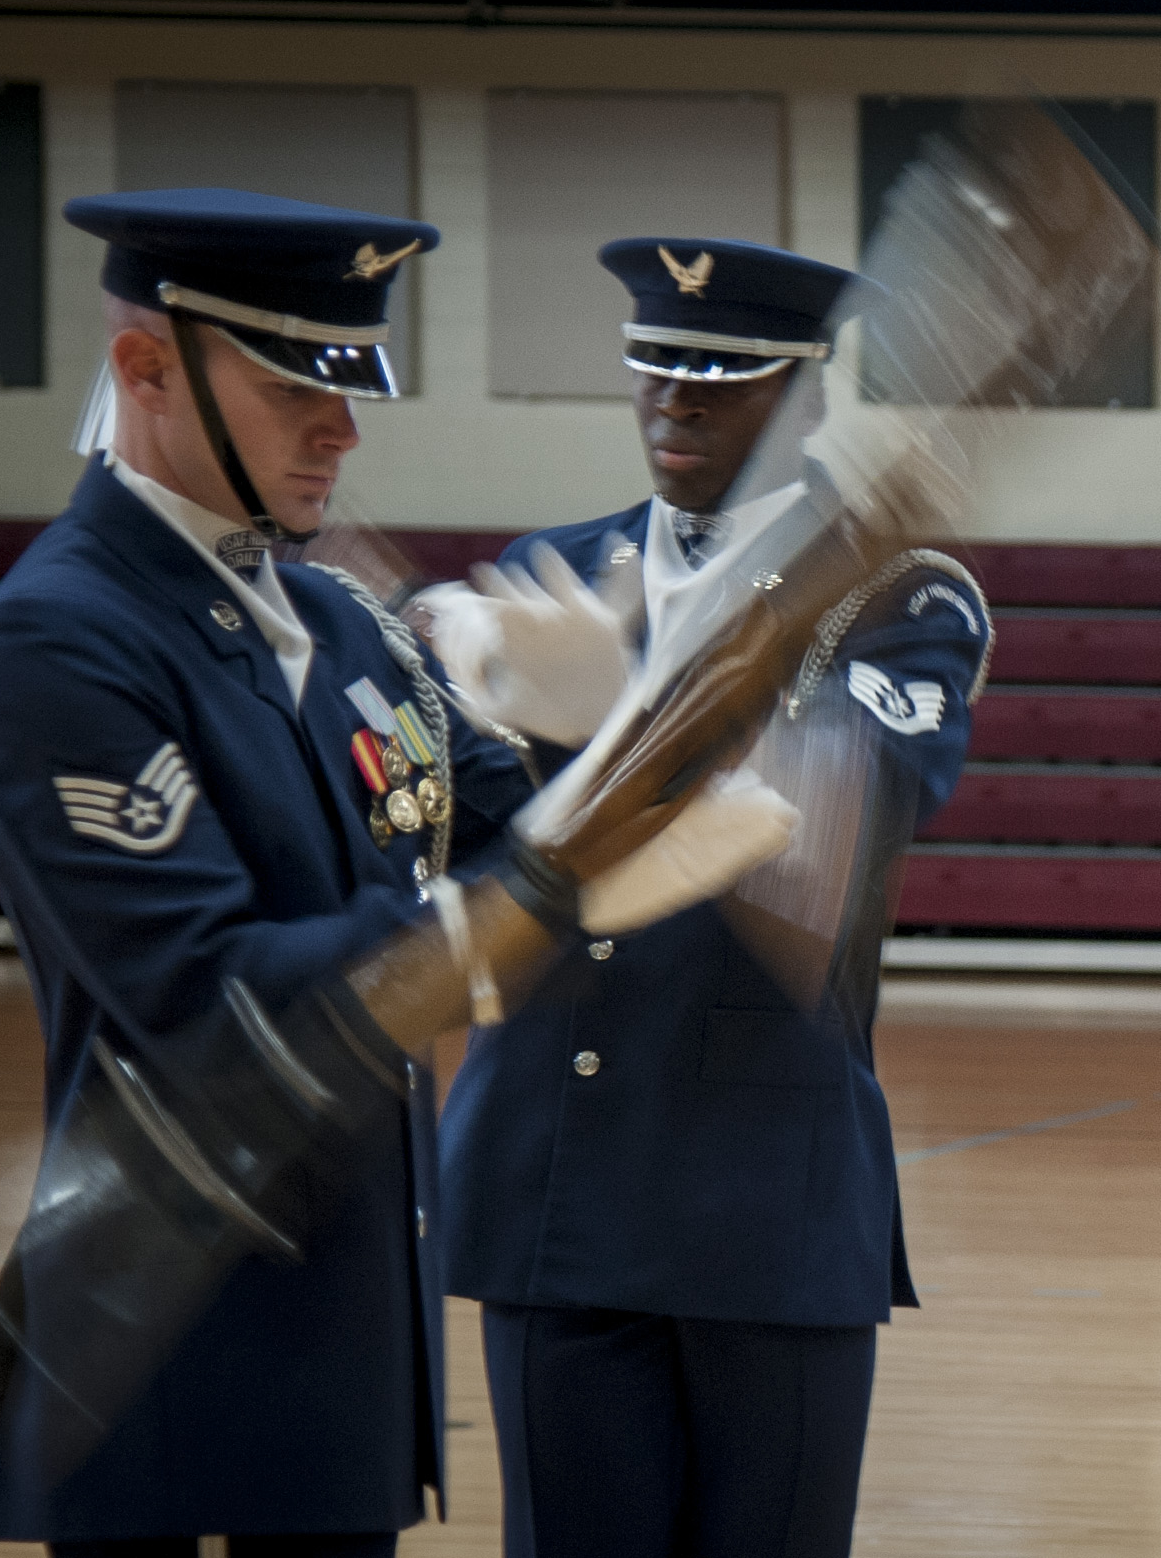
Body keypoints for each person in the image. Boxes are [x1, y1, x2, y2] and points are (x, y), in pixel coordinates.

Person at [0, 189, 776, 1558]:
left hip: (348, 1327)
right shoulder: (51, 646)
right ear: (145, 367)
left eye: (351, 378)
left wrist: (621, 728)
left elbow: (524, 844)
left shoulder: (337, 621)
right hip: (164, 1349)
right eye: (292, 382)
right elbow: (210, 994)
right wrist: (550, 874)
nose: (344, 425)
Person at [428, 237, 984, 1558]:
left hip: (763, 1202)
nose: (675, 401)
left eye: (722, 378)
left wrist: (617, 704)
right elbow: (484, 858)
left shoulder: (893, 597)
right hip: (558, 1174)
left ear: (806, 398)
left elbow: (844, 827)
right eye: (657, 371)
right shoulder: (552, 573)